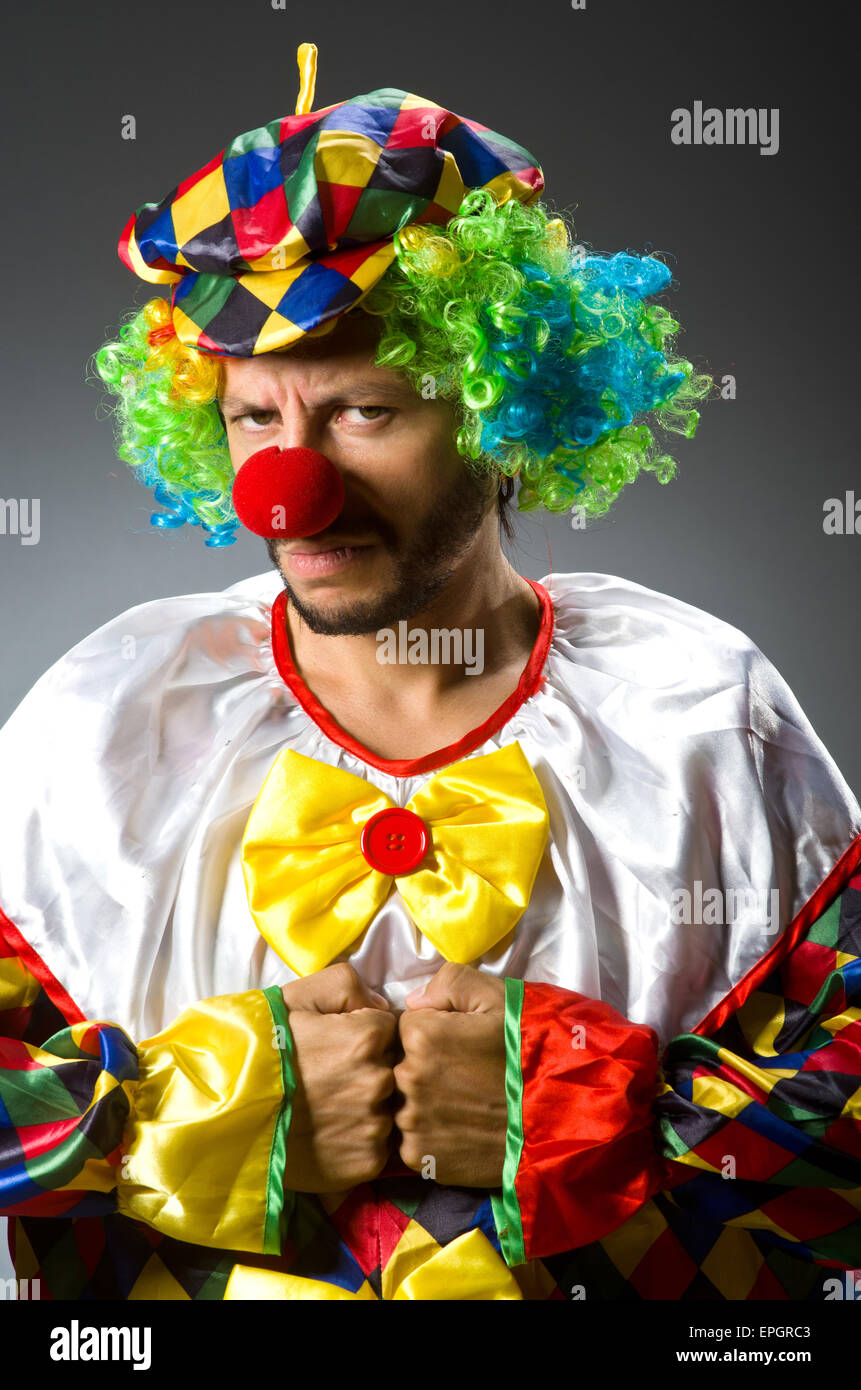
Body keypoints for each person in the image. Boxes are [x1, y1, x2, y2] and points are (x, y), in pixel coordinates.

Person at [0, 44, 858, 1302]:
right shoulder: (114, 710)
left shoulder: (698, 704)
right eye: (254, 419)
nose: (288, 490)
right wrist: (165, 1113)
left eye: (362, 410)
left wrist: (616, 1116)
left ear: (507, 410)